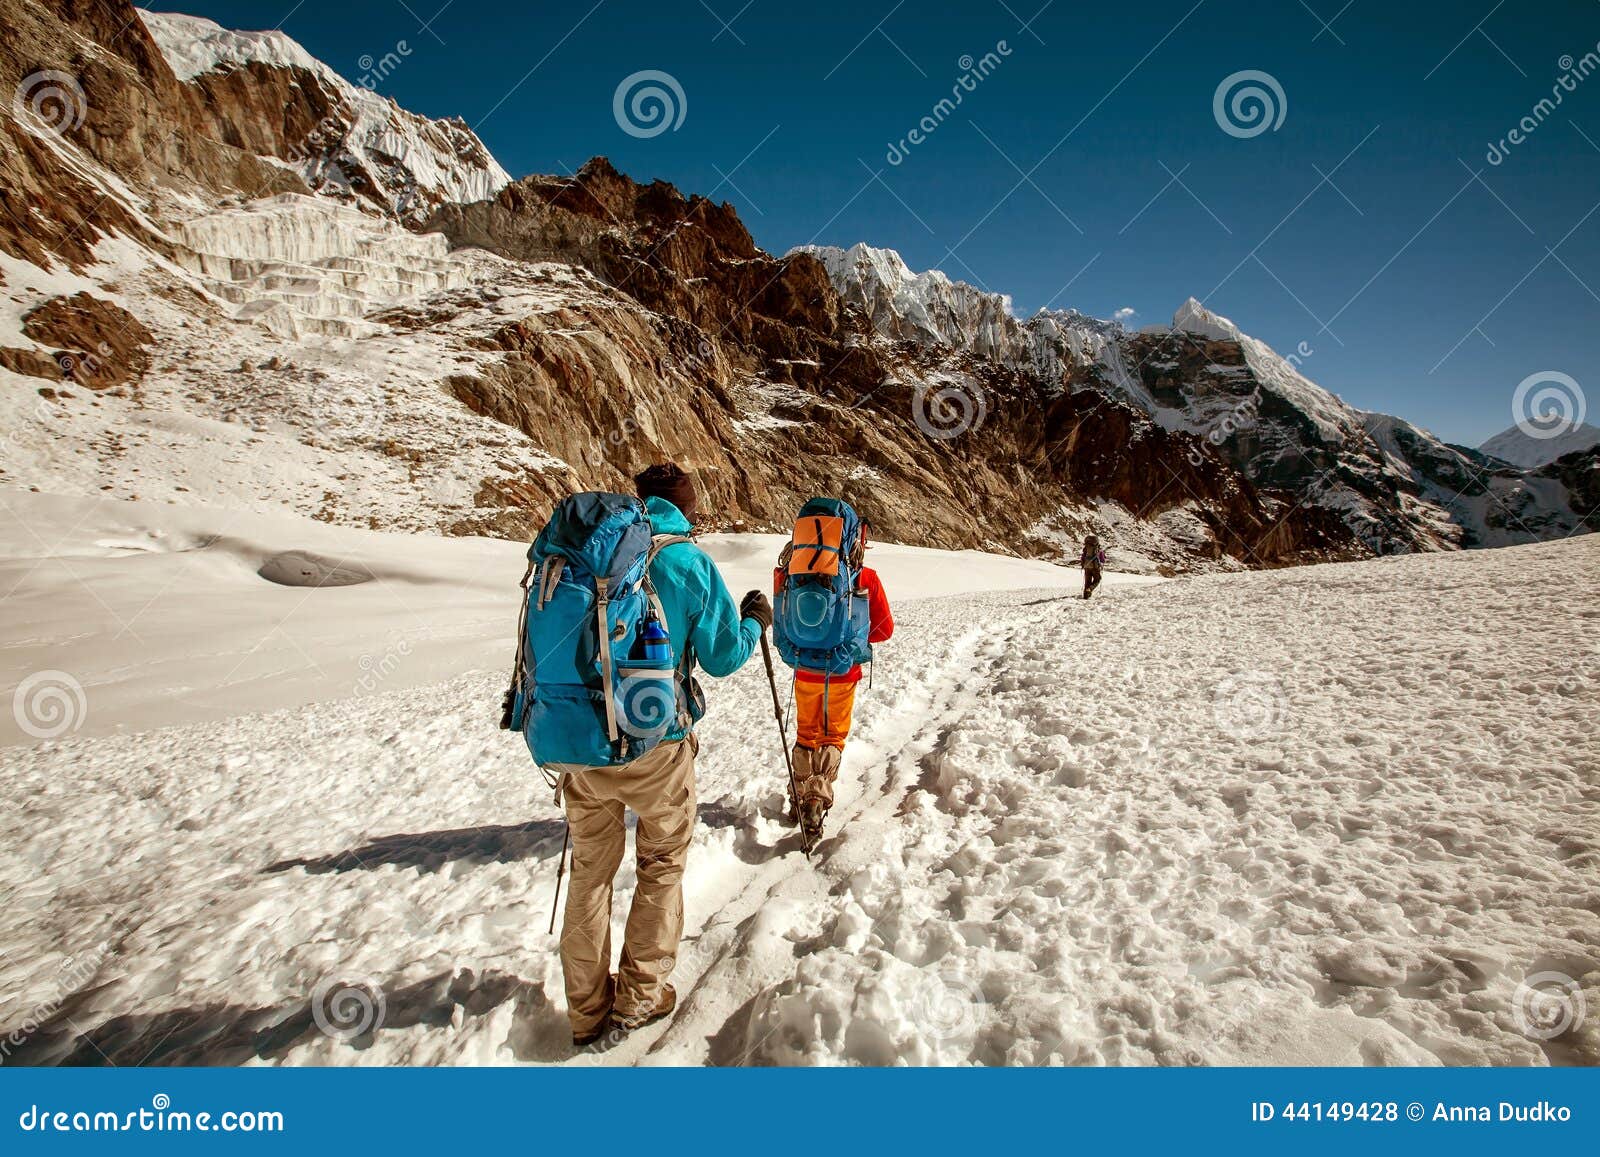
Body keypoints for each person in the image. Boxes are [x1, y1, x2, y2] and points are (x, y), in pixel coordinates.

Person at [558, 463, 771, 1047]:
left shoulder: (592, 551)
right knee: (660, 867)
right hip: (657, 744)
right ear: (687, 507)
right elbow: (724, 657)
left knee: (591, 872)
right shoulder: (687, 561)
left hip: (582, 742)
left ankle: (585, 1009)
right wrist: (754, 619)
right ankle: (642, 996)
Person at [775, 502, 894, 843]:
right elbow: (884, 629)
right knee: (831, 736)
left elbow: (784, 619)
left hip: (804, 667)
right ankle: (817, 796)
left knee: (807, 732)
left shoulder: (789, 572)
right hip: (843, 670)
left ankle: (798, 796)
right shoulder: (863, 577)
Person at [1080, 534, 1106, 599]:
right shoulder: (1098, 549)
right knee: (1097, 579)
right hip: (1095, 567)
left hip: (1087, 566)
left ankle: (1086, 596)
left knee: (1087, 581)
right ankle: (1090, 589)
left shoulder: (1086, 549)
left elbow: (1083, 557)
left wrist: (1083, 565)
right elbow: (1102, 559)